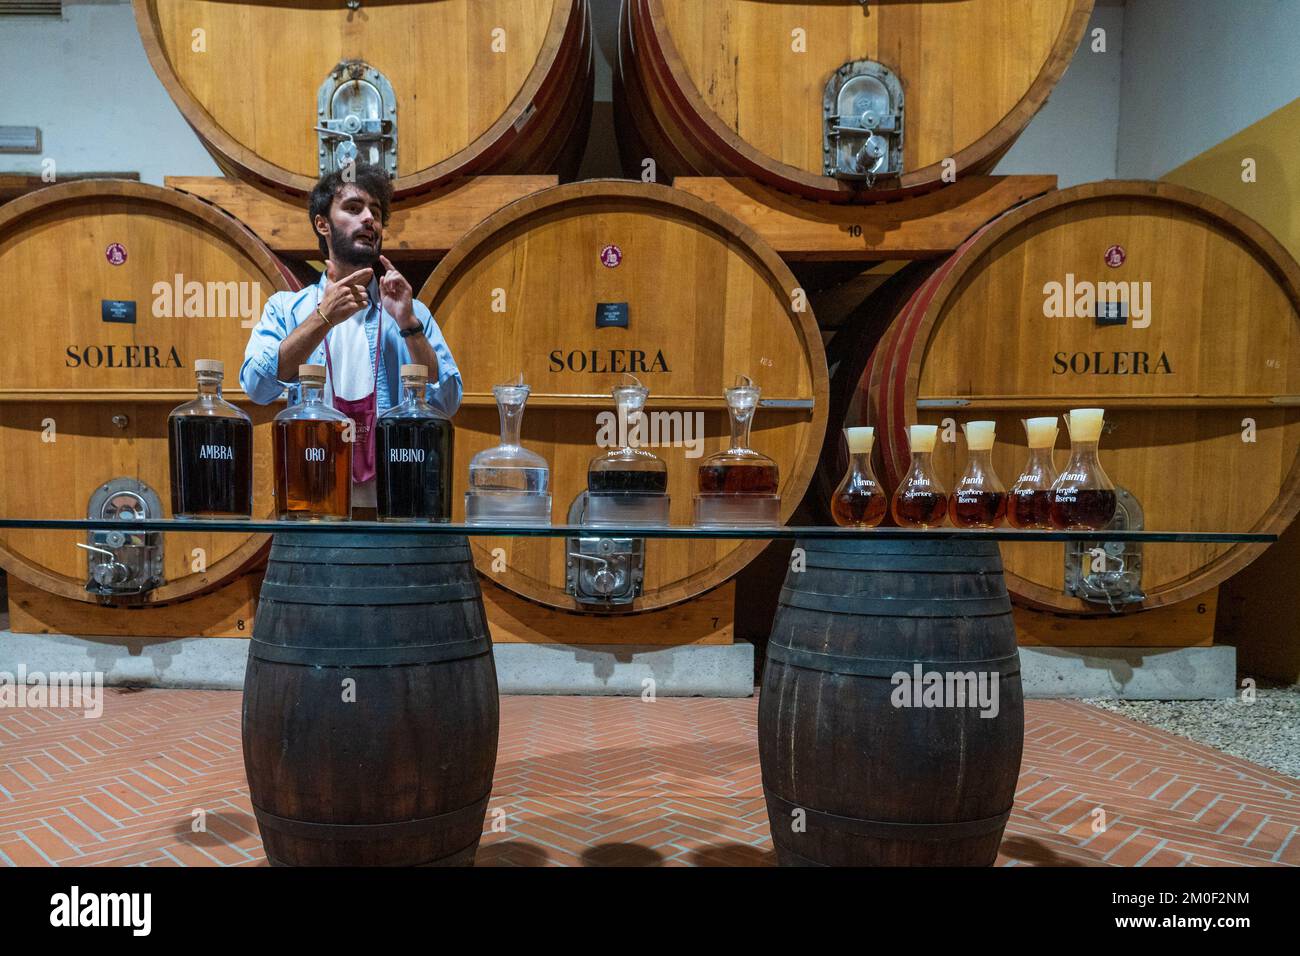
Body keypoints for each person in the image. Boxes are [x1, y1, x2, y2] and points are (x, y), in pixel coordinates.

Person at [240, 163, 462, 517]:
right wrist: (322, 318)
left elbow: (446, 400)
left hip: (397, 504)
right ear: (322, 224)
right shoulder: (286, 309)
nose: (369, 219)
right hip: (312, 500)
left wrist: (408, 324)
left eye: (375, 212)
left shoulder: (410, 310)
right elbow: (257, 385)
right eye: (354, 208)